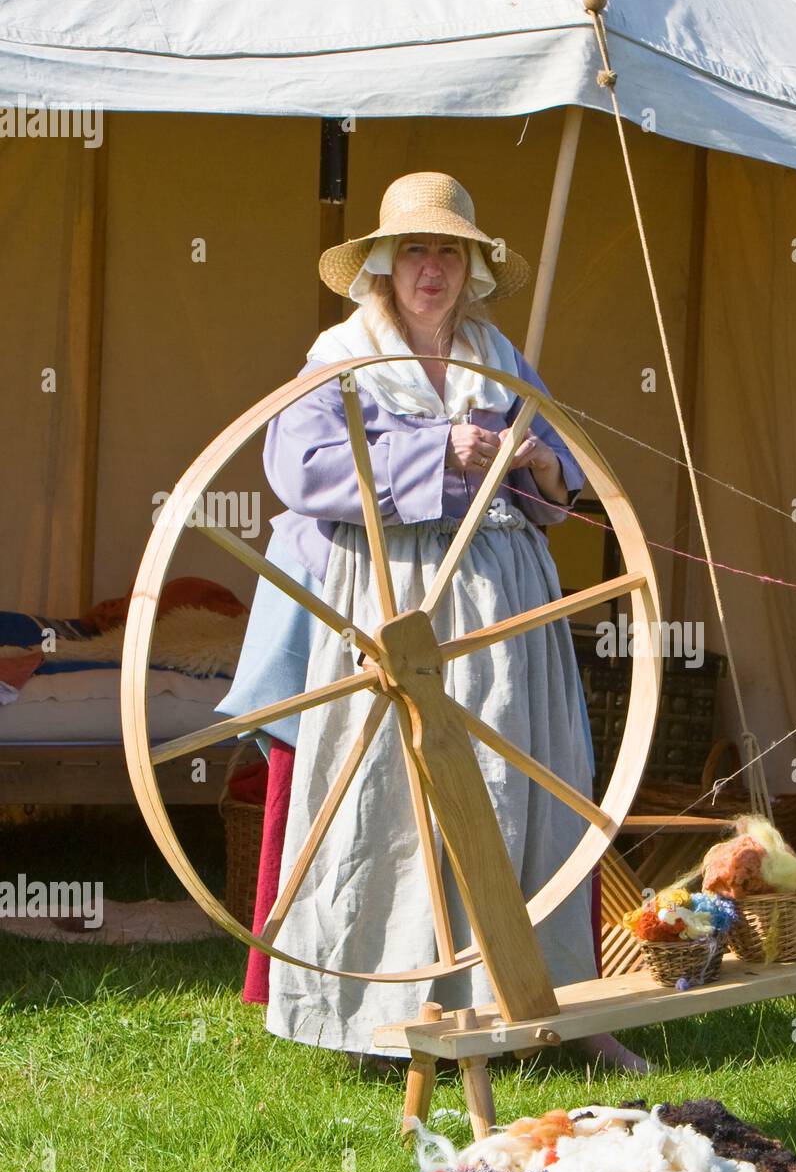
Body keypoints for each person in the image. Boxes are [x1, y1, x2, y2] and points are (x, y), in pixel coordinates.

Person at [217, 172, 647, 1073]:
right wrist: (436, 448)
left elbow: (561, 482)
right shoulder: (344, 354)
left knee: (517, 784)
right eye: (415, 249)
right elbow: (299, 469)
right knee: (395, 793)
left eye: (449, 251)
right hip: (394, 600)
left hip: (506, 608)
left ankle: (541, 1001)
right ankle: (390, 1006)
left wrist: (537, 460)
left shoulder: (502, 358)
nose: (431, 268)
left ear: (472, 268)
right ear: (382, 263)